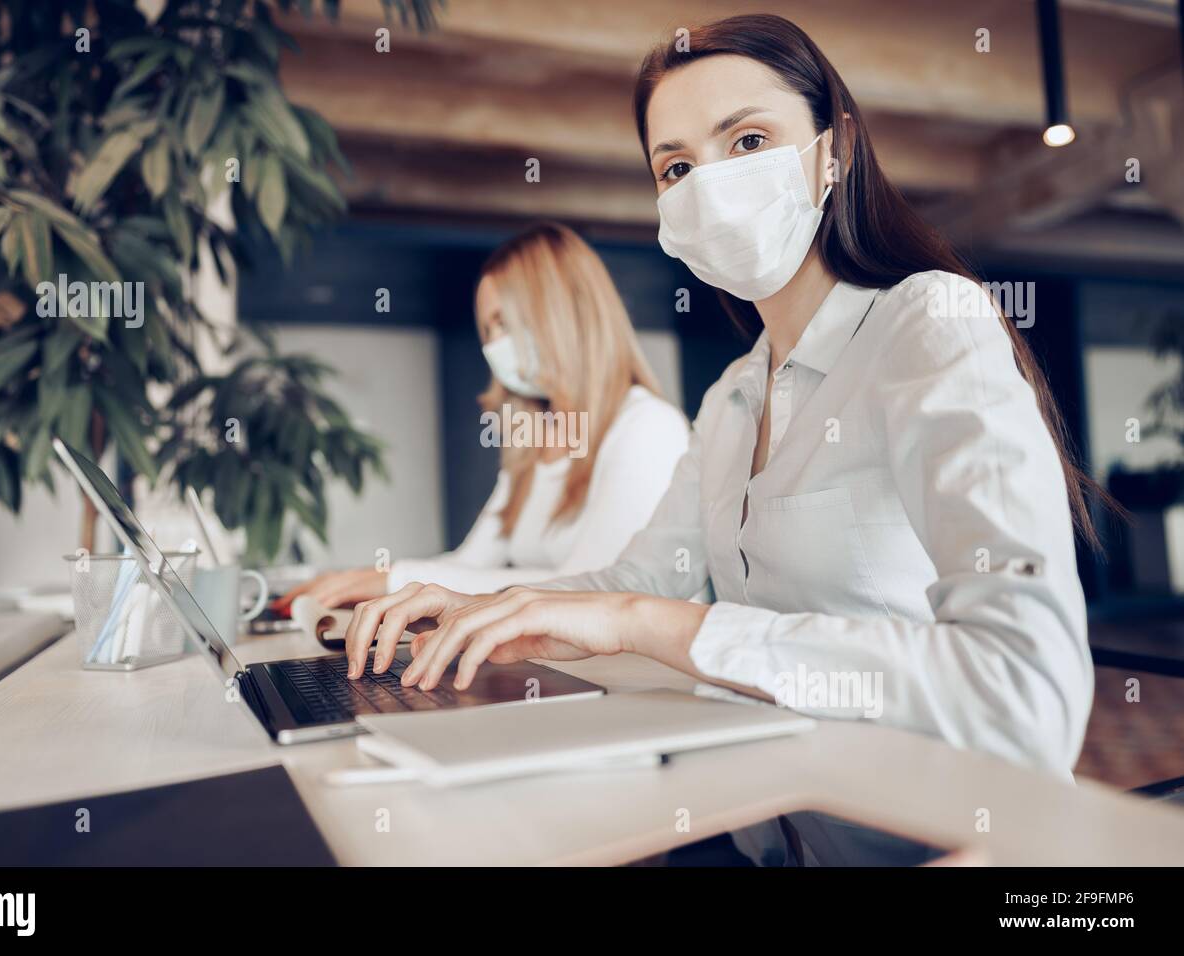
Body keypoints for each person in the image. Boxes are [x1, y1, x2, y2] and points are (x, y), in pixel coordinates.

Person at [341, 14, 1103, 798]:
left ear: (832, 151)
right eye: (675, 167)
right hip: (764, 824)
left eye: (746, 142)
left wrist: (646, 623)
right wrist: (481, 607)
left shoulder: (928, 324)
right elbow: (640, 581)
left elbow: (1025, 689)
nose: (710, 186)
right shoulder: (734, 396)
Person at [277, 222, 689, 612]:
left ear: (566, 313)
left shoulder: (647, 428)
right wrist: (377, 583)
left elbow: (587, 587)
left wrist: (394, 579)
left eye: (504, 323)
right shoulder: (533, 443)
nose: (494, 345)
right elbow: (470, 563)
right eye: (488, 331)